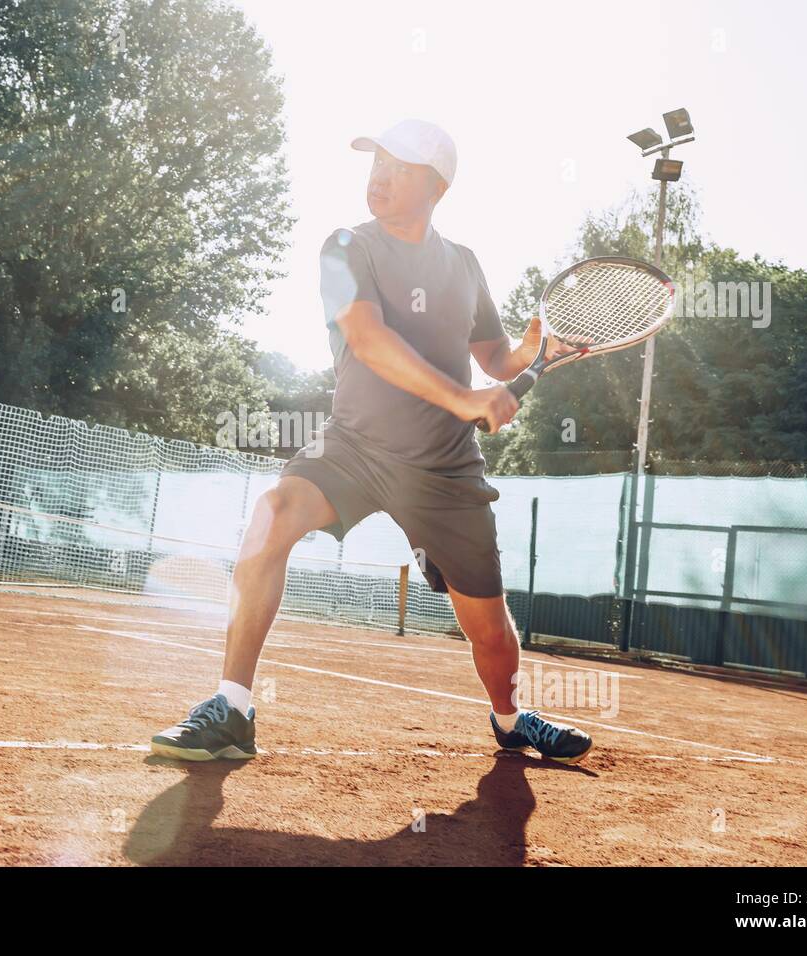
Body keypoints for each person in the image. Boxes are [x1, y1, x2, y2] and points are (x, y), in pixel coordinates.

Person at [151, 119, 593, 765]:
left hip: (445, 470)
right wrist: (465, 397)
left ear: (437, 185)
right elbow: (365, 336)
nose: (378, 175)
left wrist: (530, 352)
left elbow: (495, 356)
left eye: (398, 165)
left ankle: (509, 718)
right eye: (375, 161)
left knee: (491, 633)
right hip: (354, 448)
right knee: (273, 514)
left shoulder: (465, 264)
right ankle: (232, 708)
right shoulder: (343, 246)